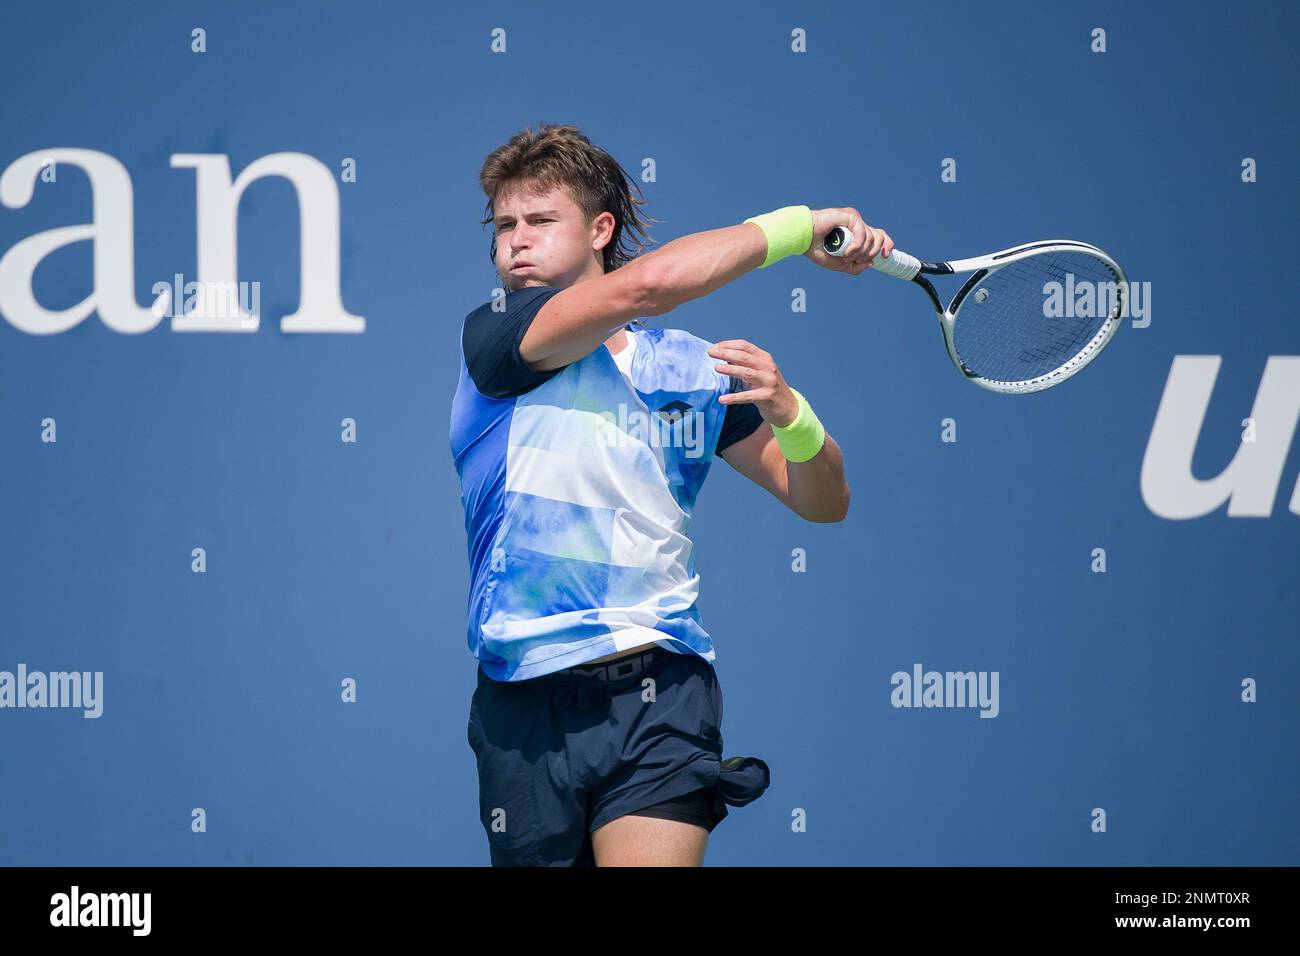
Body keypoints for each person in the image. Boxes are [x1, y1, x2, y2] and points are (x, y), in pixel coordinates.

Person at [450, 122, 891, 866]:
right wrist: (799, 227)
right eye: (504, 226)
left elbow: (824, 501)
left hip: (661, 688)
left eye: (539, 221)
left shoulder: (693, 371)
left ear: (600, 228)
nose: (515, 242)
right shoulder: (498, 337)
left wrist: (793, 415)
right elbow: (648, 287)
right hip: (519, 700)